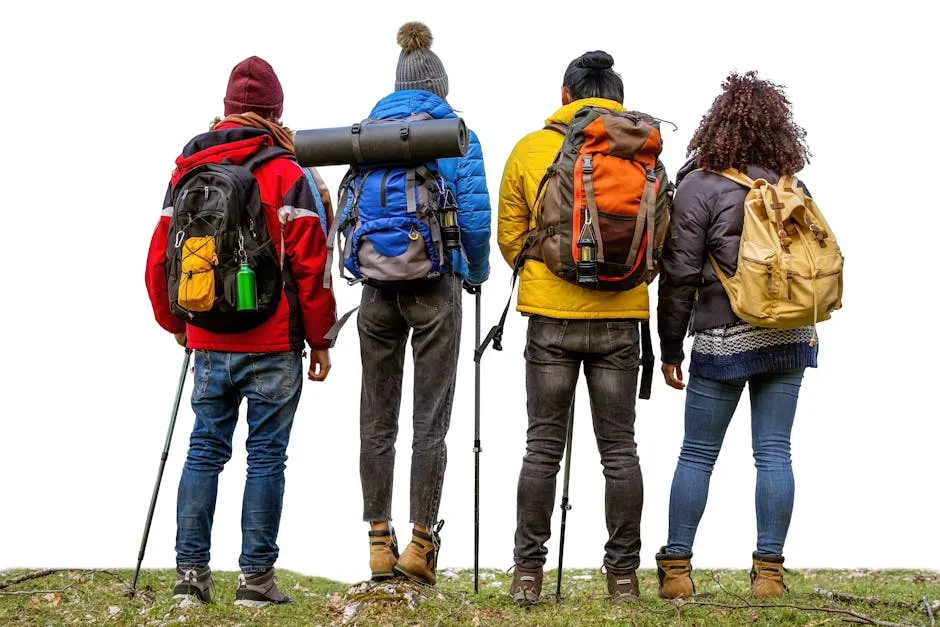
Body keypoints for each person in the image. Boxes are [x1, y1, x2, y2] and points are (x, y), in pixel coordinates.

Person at [144, 56, 337, 607]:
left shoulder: (187, 170)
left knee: (203, 450)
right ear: (276, 111)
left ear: (227, 108)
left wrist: (178, 324)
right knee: (266, 457)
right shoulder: (287, 171)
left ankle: (190, 579)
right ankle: (255, 582)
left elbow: (160, 257)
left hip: (207, 339)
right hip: (274, 342)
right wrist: (321, 338)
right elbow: (311, 267)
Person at [498, 51, 660, 605]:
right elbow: (658, 241)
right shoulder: (644, 152)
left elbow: (510, 239)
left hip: (549, 319)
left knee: (542, 448)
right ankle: (622, 579)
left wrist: (553, 266)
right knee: (620, 451)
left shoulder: (531, 149)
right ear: (617, 99)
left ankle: (527, 575)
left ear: (566, 94)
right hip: (622, 319)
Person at [655, 71, 817, 599]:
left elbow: (679, 274)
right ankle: (769, 575)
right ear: (778, 128)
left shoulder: (699, 184)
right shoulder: (791, 183)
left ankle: (676, 571)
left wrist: (670, 347)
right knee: (774, 452)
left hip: (723, 336)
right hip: (790, 334)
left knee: (698, 453)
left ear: (717, 124)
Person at [354, 22, 490, 586]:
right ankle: (420, 544)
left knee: (375, 415)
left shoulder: (364, 134)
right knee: (429, 420)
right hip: (436, 286)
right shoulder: (454, 132)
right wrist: (475, 274)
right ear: (440, 87)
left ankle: (377, 542)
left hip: (375, 287)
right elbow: (476, 218)